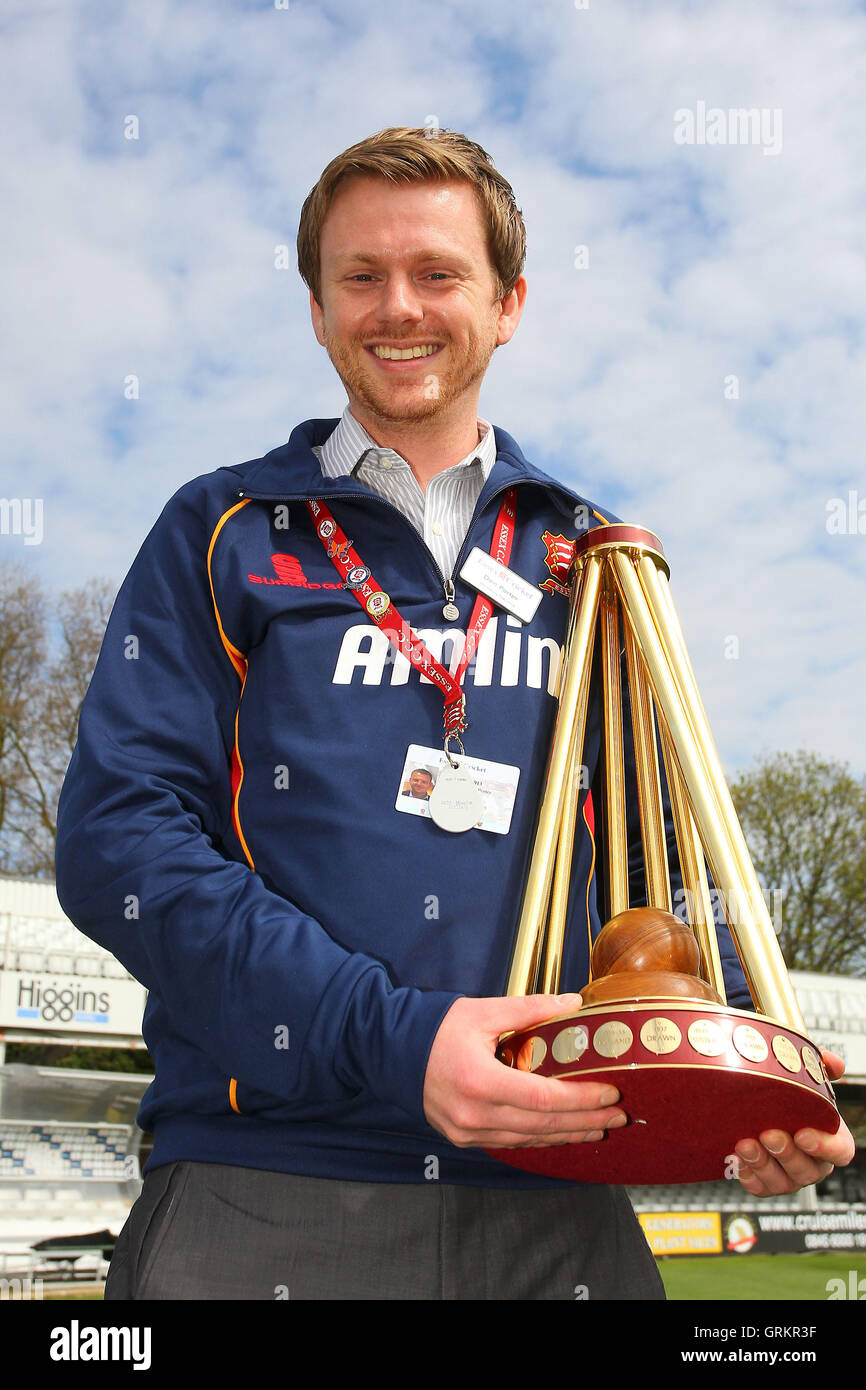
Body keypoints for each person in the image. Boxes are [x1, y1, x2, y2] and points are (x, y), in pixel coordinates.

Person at [54, 126, 853, 1301]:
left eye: (436, 273)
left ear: (507, 302)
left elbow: (650, 862)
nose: (397, 308)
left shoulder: (593, 554)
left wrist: (748, 1061)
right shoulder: (221, 527)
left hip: (560, 1187)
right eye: (359, 277)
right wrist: (394, 1038)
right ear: (317, 311)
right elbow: (119, 839)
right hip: (267, 1186)